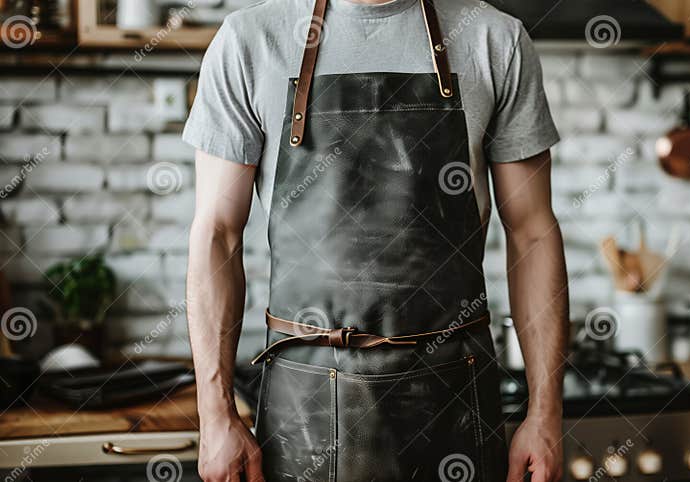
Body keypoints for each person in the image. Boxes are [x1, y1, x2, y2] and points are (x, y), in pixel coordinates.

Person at [183, 0, 568, 479]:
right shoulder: (250, 39)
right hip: (304, 409)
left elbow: (533, 233)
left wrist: (545, 414)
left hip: (453, 401)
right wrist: (215, 414)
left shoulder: (495, 39)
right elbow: (217, 235)